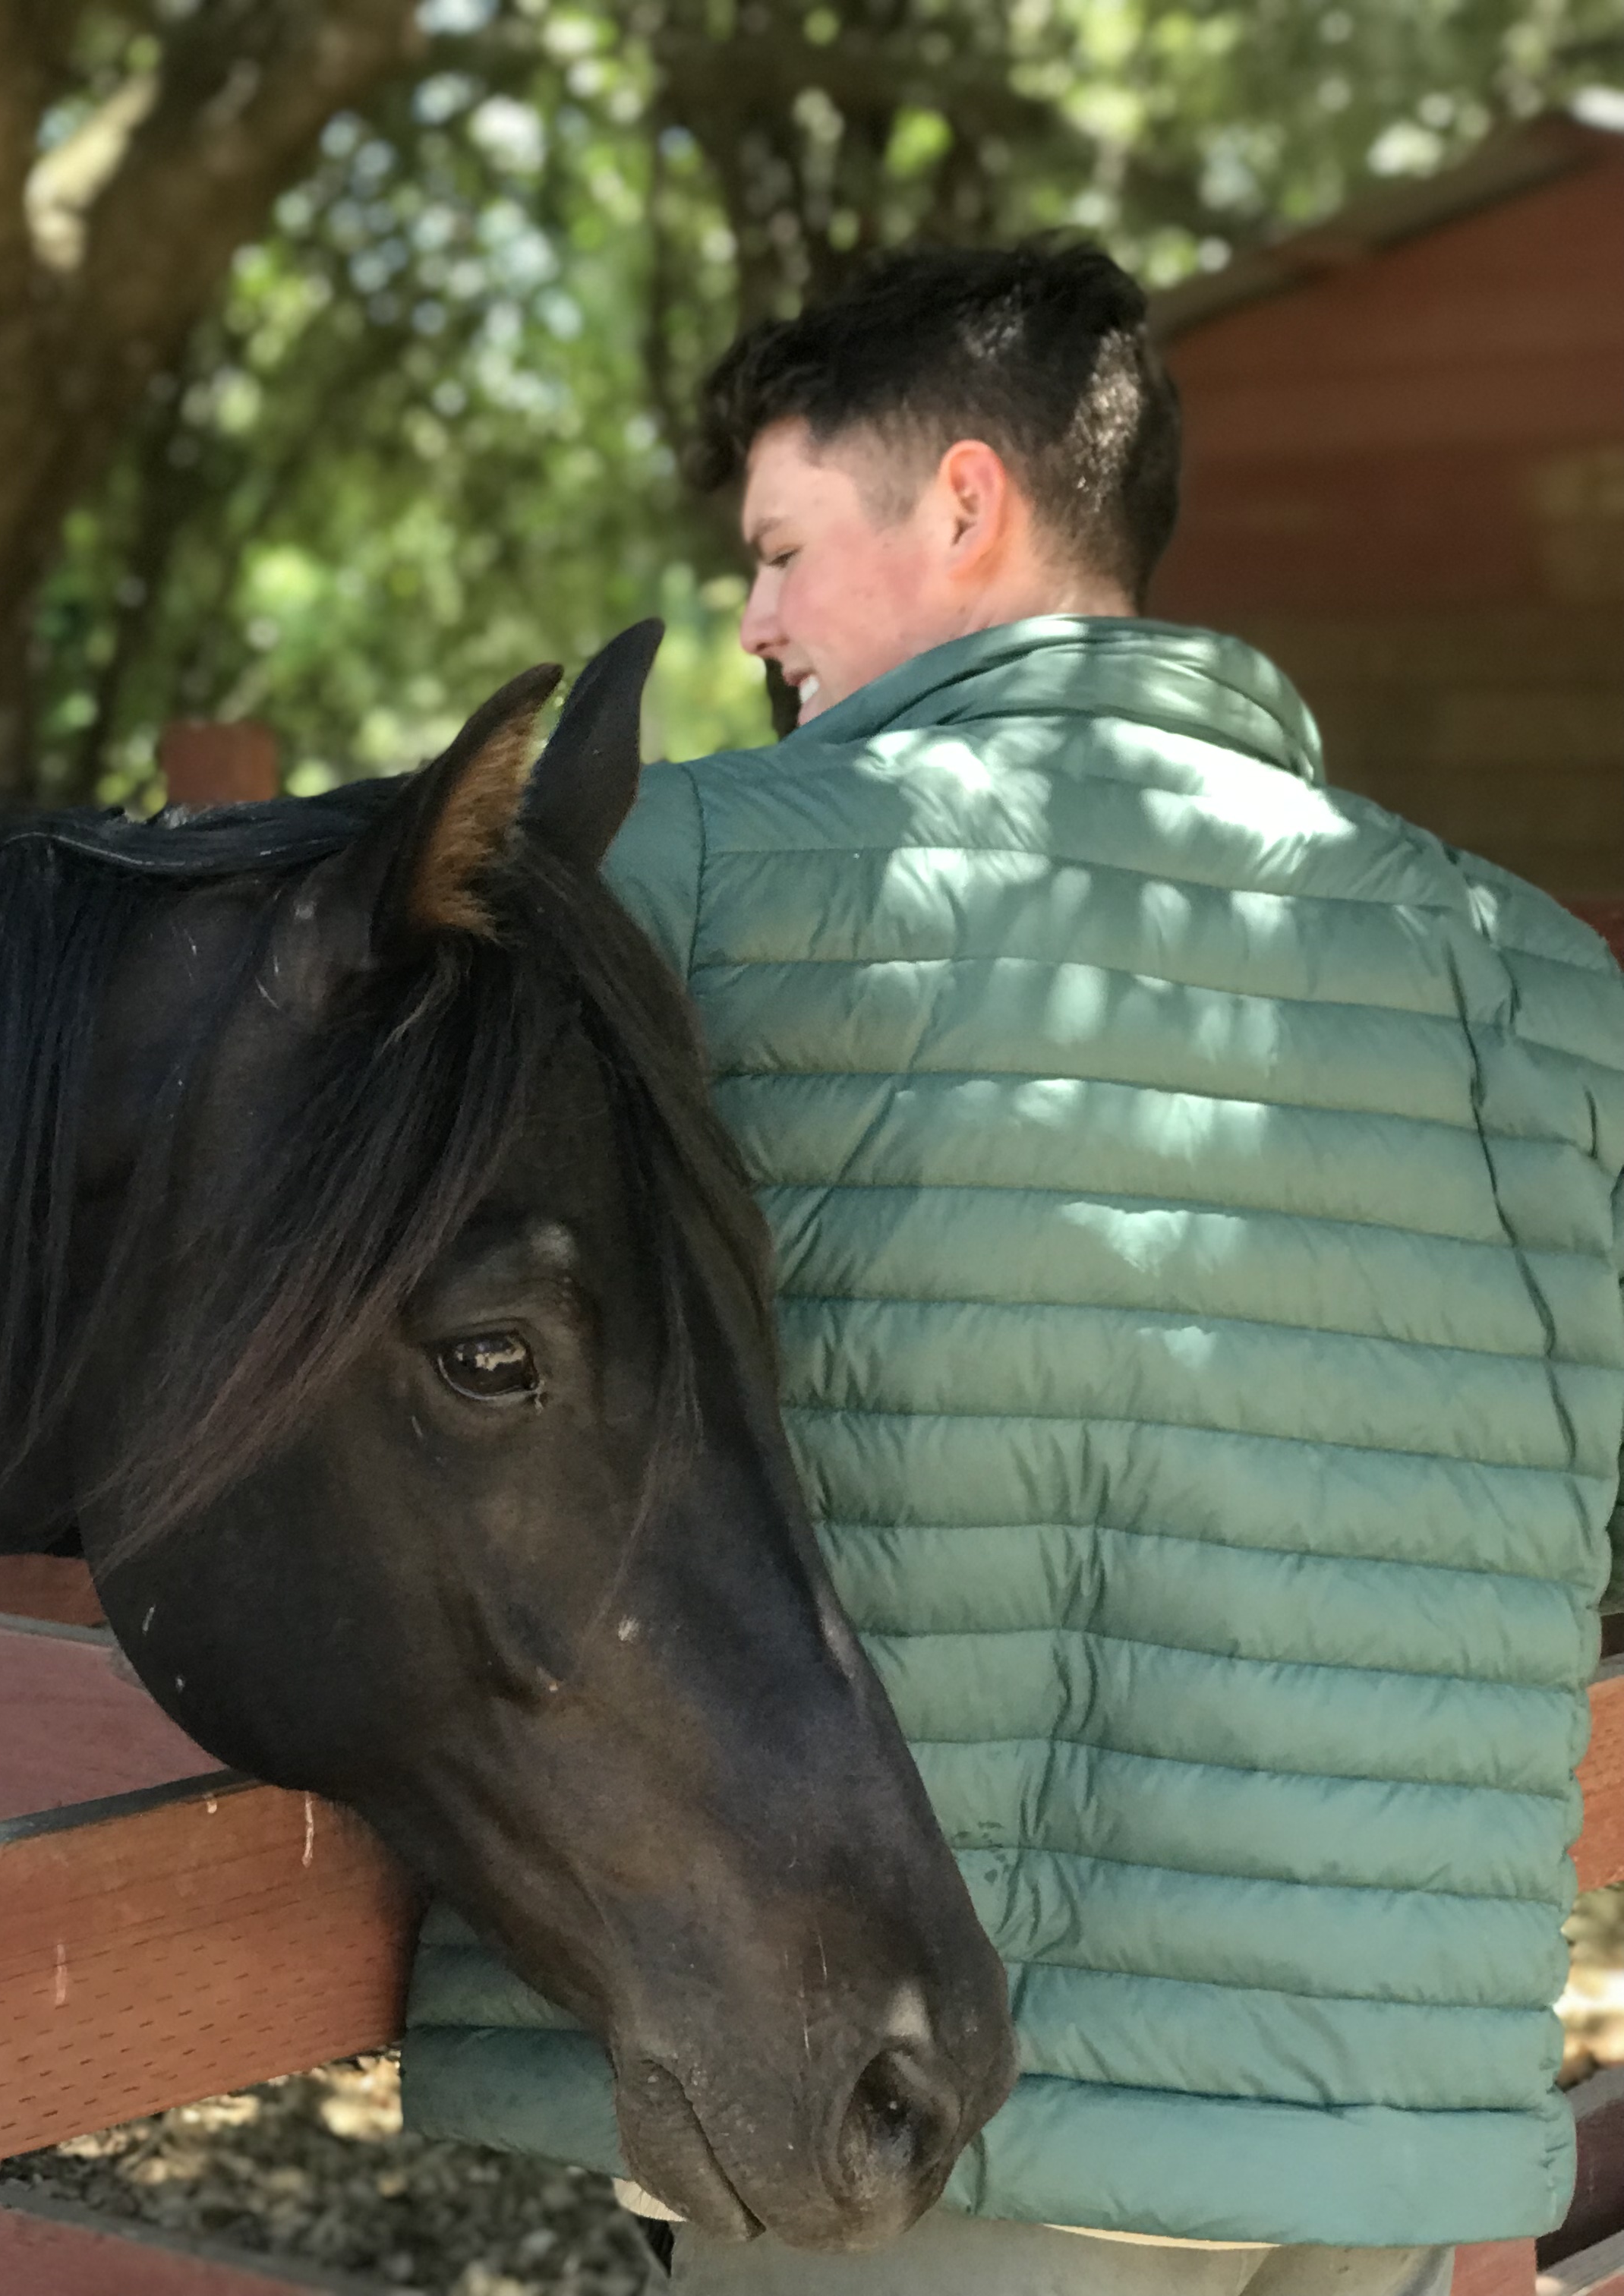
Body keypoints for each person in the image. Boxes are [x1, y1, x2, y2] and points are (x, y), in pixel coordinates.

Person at [405, 238, 1624, 2293]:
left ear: (966, 502)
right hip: (1379, 2146)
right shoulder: (1534, 984)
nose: (756, 621)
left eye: (782, 551)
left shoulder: (678, 881)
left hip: (913, 2120)